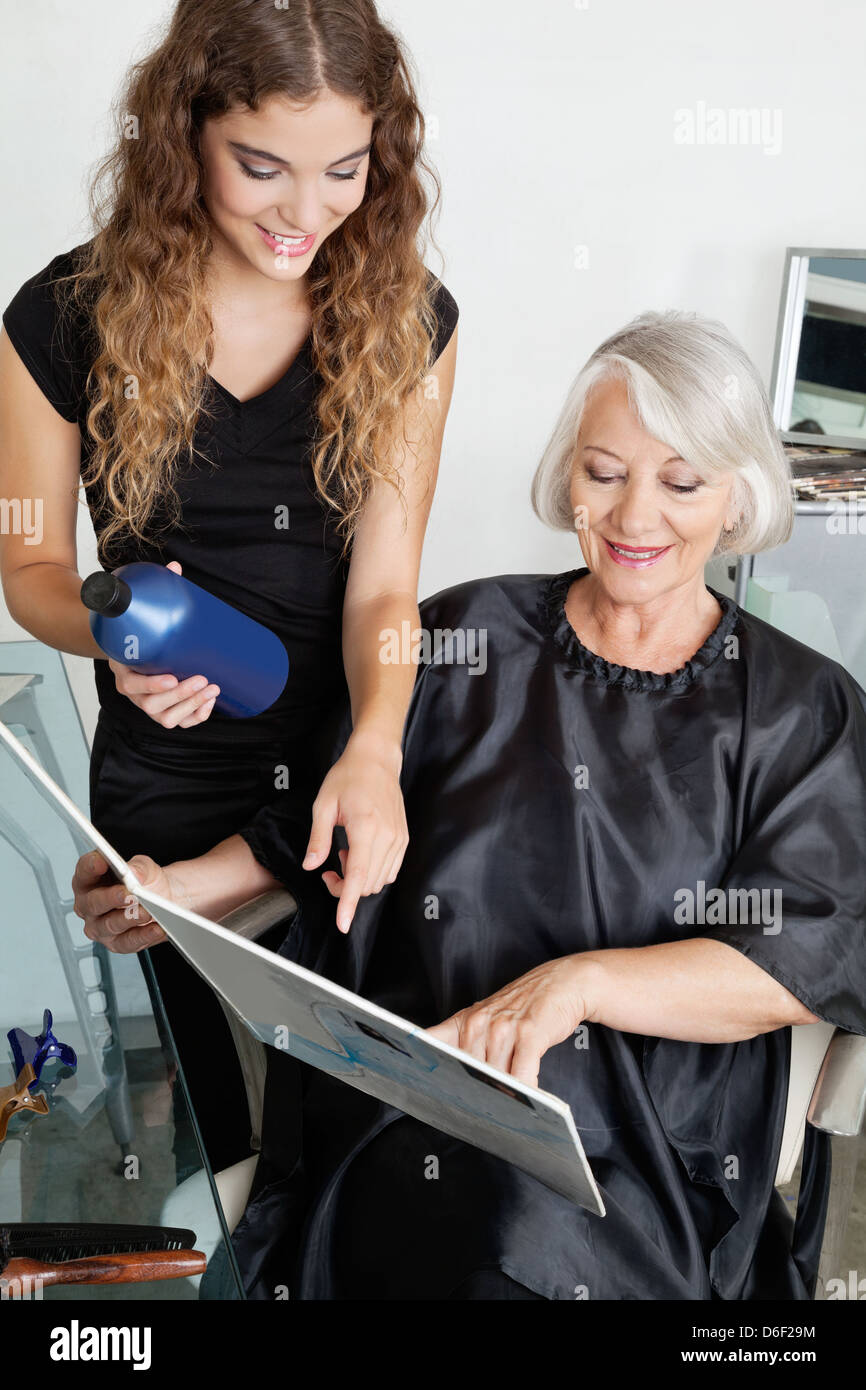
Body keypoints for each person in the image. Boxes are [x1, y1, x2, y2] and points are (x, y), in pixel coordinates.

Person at [72, 310, 866, 1300]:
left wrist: (574, 986)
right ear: (564, 473)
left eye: (680, 481)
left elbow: (800, 960)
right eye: (602, 471)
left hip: (646, 1142)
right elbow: (313, 827)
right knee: (455, 1223)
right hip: (425, 1101)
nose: (632, 517)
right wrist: (176, 889)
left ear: (736, 496)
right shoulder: (458, 634)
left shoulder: (799, 706)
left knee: (517, 1235)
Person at [0, 0, 458, 1176]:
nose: (305, 214)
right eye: (262, 167)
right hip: (163, 776)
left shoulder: (404, 323)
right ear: (184, 135)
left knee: (357, 1149)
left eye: (343, 171)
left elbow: (383, 592)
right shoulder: (60, 318)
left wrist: (372, 745)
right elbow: (31, 568)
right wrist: (109, 642)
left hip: (336, 771)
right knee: (224, 1140)